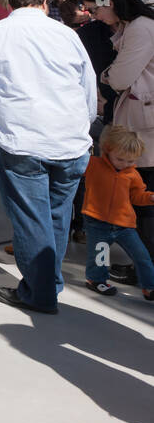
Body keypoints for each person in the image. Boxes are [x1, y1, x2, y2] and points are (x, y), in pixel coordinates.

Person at [0, 0, 96, 314]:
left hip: (22, 141)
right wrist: (86, 128)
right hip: (70, 142)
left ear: (10, 4)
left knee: (30, 219)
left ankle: (40, 293)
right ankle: (49, 283)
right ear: (46, 1)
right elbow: (87, 85)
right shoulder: (67, 35)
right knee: (57, 215)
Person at [82, 0, 154, 192]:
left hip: (145, 122)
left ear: (109, 3)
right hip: (142, 119)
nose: (93, 17)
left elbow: (119, 79)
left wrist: (105, 76)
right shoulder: (136, 25)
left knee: (144, 196)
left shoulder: (140, 28)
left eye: (94, 10)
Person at [79, 125, 154, 299]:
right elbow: (75, 171)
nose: (126, 164)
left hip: (124, 225)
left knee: (142, 256)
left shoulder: (133, 174)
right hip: (97, 222)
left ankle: (150, 287)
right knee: (100, 256)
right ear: (107, 150)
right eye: (120, 159)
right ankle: (96, 280)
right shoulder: (93, 165)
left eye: (130, 161)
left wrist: (149, 197)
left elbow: (137, 196)